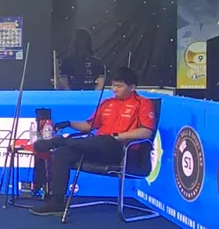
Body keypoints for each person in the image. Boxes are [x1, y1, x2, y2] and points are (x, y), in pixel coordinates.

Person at [28, 68, 156, 217]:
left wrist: (117, 136)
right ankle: (57, 203)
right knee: (62, 153)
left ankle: (60, 141)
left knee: (105, 139)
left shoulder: (143, 103)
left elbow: (146, 132)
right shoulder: (107, 103)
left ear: (132, 87)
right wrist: (69, 123)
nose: (114, 89)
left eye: (119, 86)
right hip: (97, 147)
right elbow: (89, 126)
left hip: (122, 151)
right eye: (113, 85)